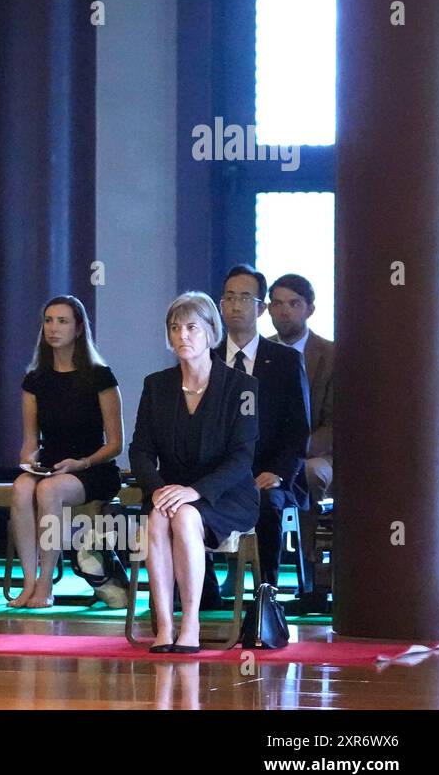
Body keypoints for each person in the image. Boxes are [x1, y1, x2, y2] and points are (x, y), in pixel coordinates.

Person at [129, 292, 259, 653]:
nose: (182, 335)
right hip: (170, 491)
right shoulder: (156, 385)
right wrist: (156, 489)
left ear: (211, 332)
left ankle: (191, 622)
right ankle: (164, 626)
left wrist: (195, 492)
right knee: (158, 517)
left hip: (225, 495)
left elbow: (242, 458)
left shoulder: (242, 388)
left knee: (183, 516)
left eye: (192, 327)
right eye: (175, 328)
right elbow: (140, 450)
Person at [8, 296, 125, 609]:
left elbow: (116, 443)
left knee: (48, 490)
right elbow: (30, 441)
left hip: (92, 466)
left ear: (78, 328)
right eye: (48, 320)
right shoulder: (35, 380)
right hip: (51, 463)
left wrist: (81, 463)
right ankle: (29, 581)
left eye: (62, 321)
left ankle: (46, 583)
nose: (53, 328)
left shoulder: (100, 376)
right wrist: (28, 459)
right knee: (21, 488)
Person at [215, 264, 310, 594]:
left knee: (266, 502)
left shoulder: (284, 361)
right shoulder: (206, 358)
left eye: (245, 297)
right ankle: (202, 593)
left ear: (260, 307)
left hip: (268, 472)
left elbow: (298, 430)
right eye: (229, 297)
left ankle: (263, 591)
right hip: (216, 472)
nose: (236, 305)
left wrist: (279, 472)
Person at [267, 273, 334, 602]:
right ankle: (244, 571)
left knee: (306, 473)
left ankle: (311, 575)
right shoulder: (259, 352)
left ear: (310, 309)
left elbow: (338, 422)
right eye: (277, 303)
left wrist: (294, 451)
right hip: (266, 453)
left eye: (293, 304)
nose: (284, 311)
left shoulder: (332, 355)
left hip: (318, 454)